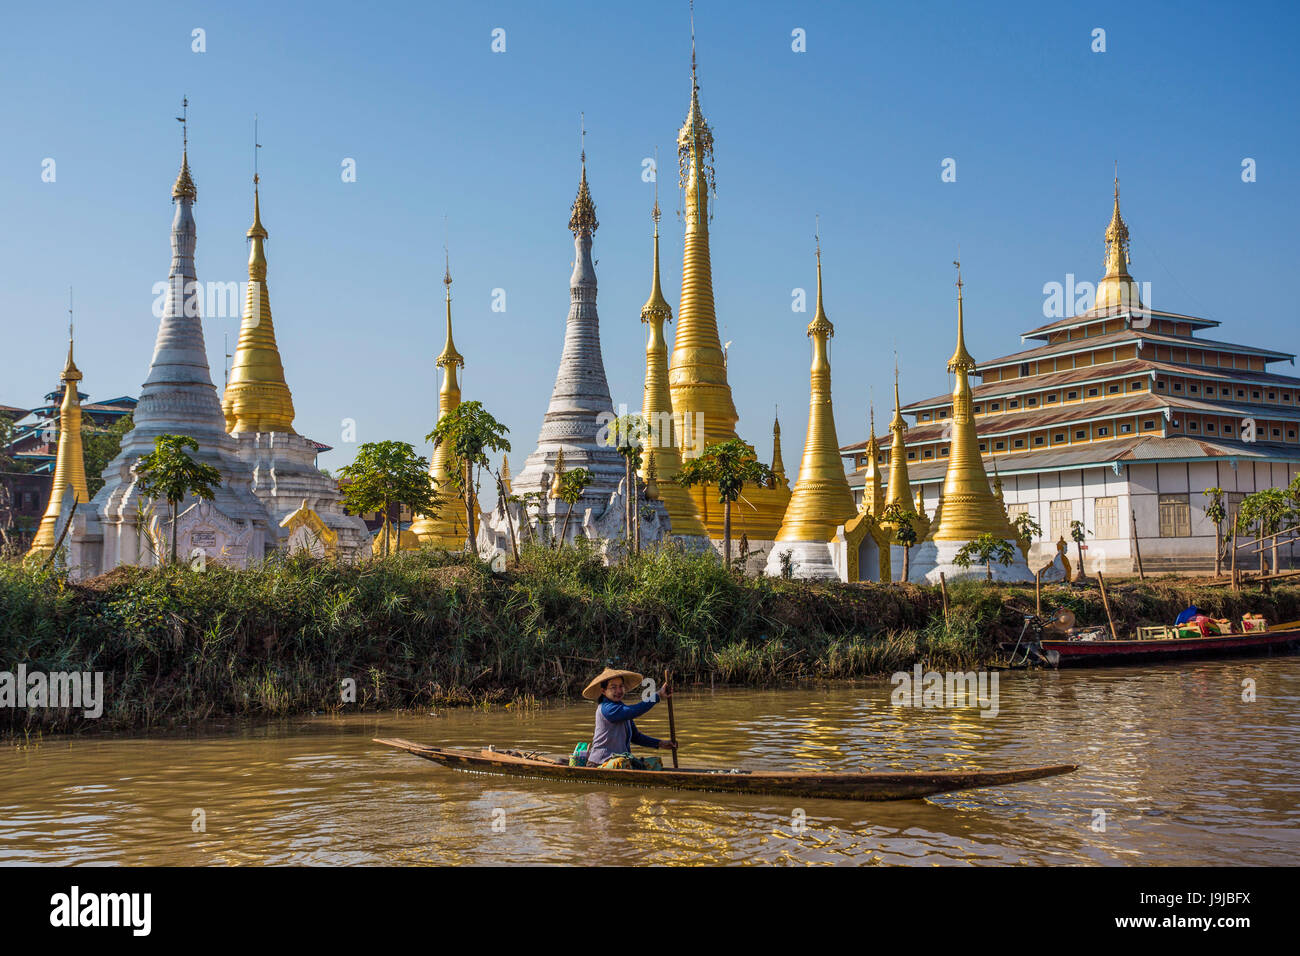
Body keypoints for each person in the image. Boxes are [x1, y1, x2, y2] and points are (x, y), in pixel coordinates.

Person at [581, 666, 676, 770]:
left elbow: (636, 737)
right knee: (622, 762)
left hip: (621, 762)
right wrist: (657, 695)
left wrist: (660, 743)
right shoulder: (607, 709)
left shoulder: (622, 709)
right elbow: (634, 711)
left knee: (656, 763)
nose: (618, 690)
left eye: (621, 686)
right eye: (613, 687)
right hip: (599, 764)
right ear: (603, 691)